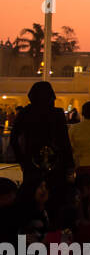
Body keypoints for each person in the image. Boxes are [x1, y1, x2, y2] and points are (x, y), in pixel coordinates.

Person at [9, 81, 75, 228]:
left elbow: (14, 139)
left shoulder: (26, 113)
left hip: (32, 162)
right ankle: (53, 231)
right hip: (56, 162)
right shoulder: (56, 113)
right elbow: (64, 142)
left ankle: (34, 230)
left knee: (33, 195)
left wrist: (22, 159)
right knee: (54, 197)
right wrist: (70, 165)